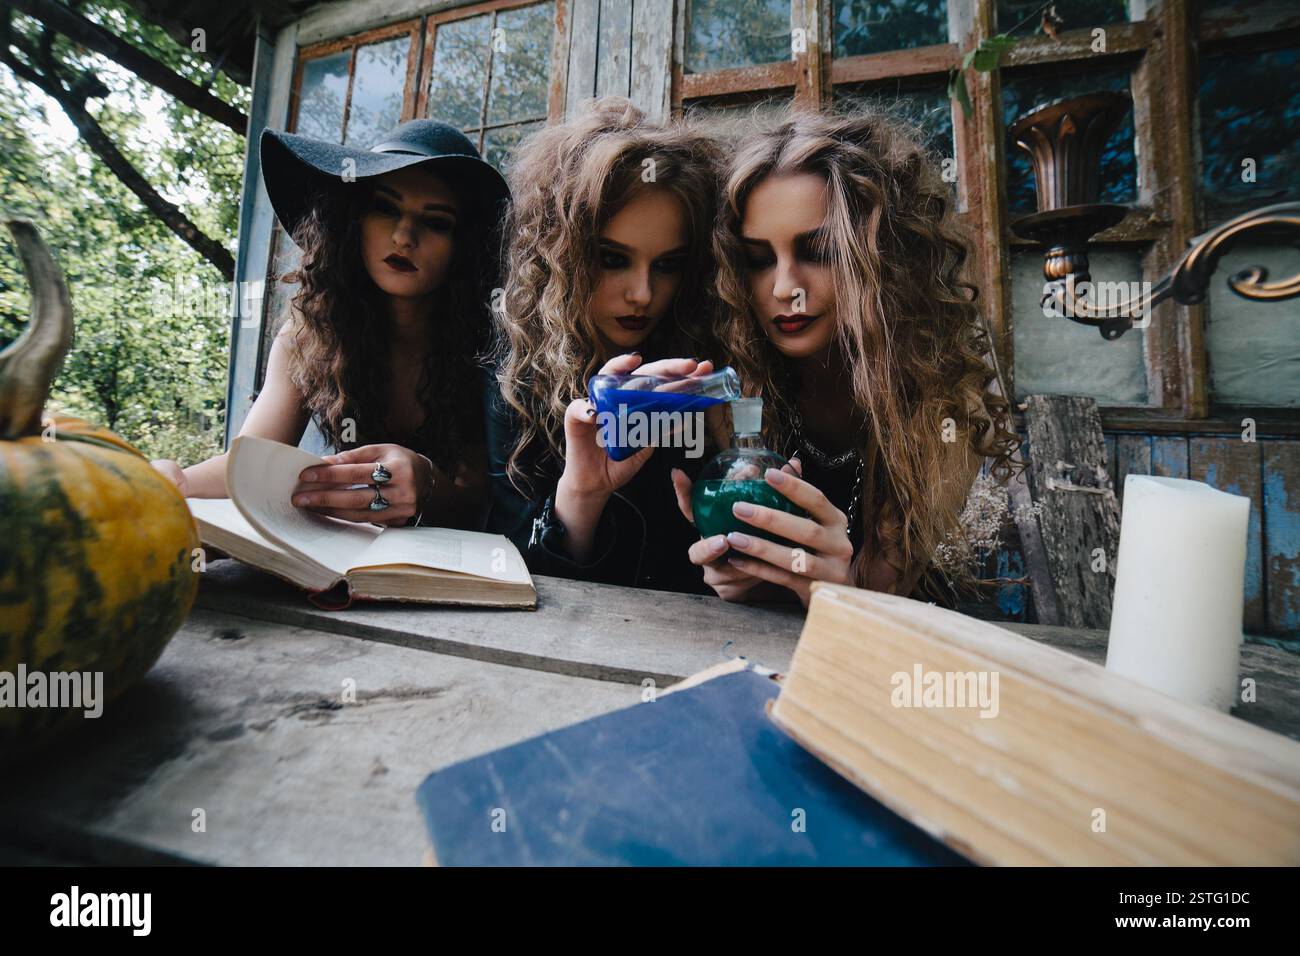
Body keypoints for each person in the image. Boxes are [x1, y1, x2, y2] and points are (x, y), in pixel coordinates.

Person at [673, 108, 1019, 606]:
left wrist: (843, 593)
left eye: (819, 251)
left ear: (883, 261)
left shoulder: (939, 408)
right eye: (759, 260)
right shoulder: (736, 385)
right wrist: (737, 573)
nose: (786, 288)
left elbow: (885, 599)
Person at [152, 120, 508, 529]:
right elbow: (249, 463)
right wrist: (173, 481)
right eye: (385, 208)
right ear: (353, 218)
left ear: (464, 247)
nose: (404, 236)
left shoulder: (492, 346)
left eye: (436, 222)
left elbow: (485, 502)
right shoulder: (310, 334)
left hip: (460, 566)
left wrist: (425, 483)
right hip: (340, 558)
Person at [484, 97, 727, 591]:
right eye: (612, 259)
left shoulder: (708, 367)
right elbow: (507, 569)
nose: (643, 294)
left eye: (667, 265)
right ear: (561, 253)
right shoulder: (515, 374)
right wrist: (579, 496)